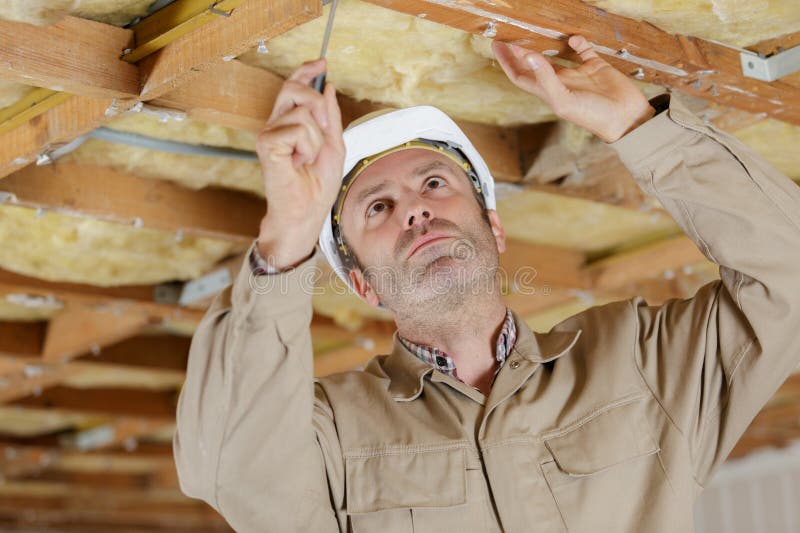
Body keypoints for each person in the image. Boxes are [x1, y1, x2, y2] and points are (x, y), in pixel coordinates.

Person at [174, 35, 800, 532]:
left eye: (434, 183)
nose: (415, 210)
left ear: (494, 228)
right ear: (364, 286)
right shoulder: (332, 432)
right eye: (377, 208)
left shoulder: (642, 363)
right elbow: (227, 464)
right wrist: (287, 235)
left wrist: (640, 127)